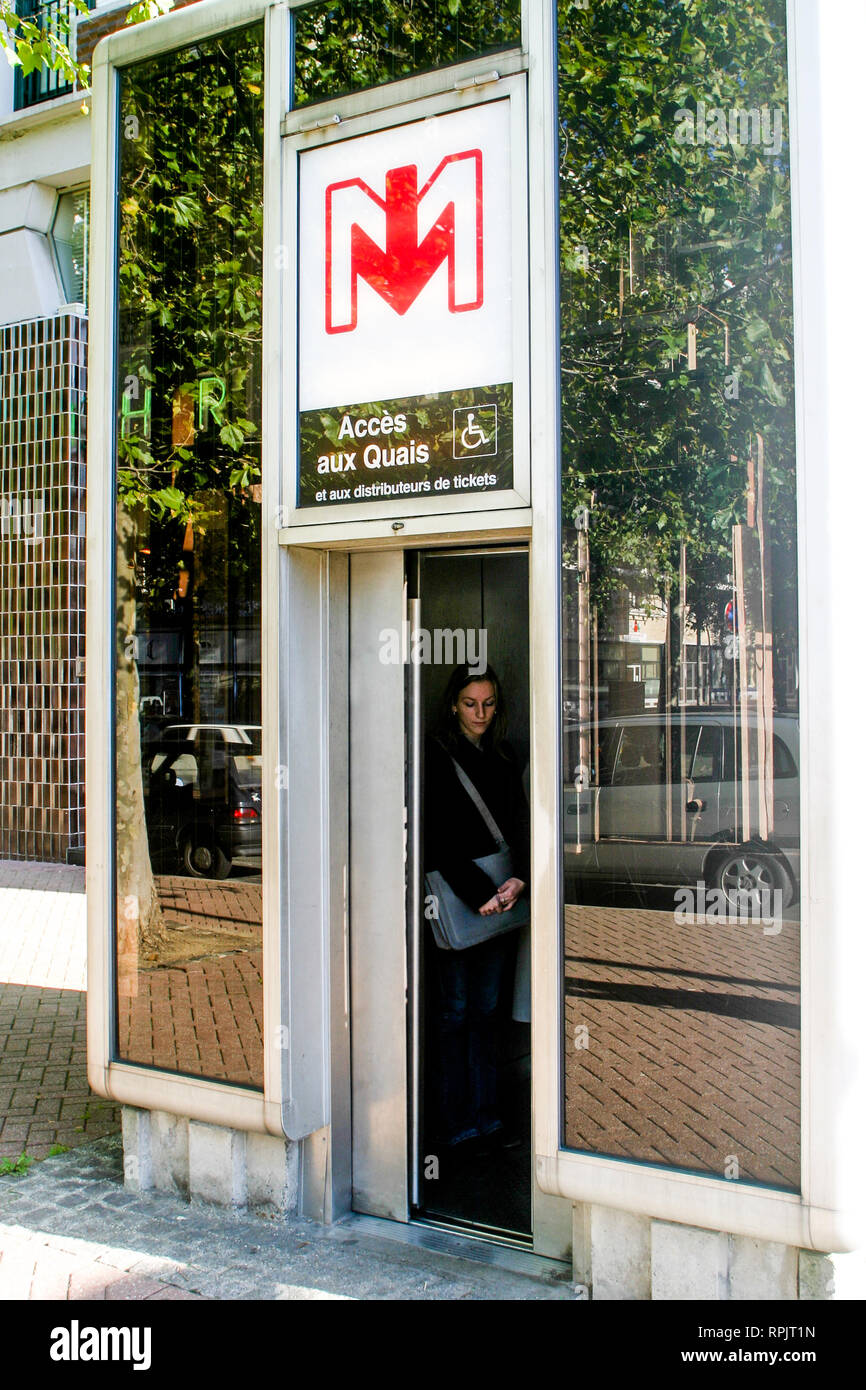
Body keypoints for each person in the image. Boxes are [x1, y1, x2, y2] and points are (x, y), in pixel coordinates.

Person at [424, 663, 530, 1151]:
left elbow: (523, 824)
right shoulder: (436, 756)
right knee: (456, 1012)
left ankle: (486, 1115)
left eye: (488, 704)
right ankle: (453, 1120)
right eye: (470, 704)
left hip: (501, 898)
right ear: (453, 705)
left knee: (486, 1012)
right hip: (461, 900)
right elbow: (434, 837)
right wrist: (481, 893)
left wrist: (518, 879)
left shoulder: (506, 755)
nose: (480, 713)